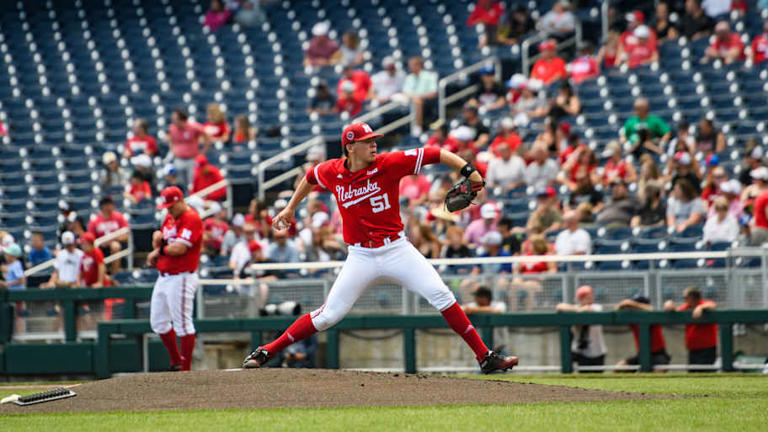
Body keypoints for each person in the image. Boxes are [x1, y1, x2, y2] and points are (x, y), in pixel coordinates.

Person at [242, 122, 518, 373]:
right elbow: (311, 176)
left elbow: (436, 153)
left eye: (374, 140)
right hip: (360, 255)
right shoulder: (333, 170)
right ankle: (267, 351)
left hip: (397, 249)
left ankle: (485, 356)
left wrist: (469, 171)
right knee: (328, 316)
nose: (374, 144)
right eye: (367, 141)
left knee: (442, 295)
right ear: (350, 147)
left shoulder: (388, 163)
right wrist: (291, 207)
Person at [146, 186, 204, 372]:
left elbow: (179, 248)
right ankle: (176, 360)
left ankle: (185, 369)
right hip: (164, 275)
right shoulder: (170, 218)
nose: (169, 210)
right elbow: (165, 243)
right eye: (167, 207)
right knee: (158, 322)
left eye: (171, 206)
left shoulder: (191, 218)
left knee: (183, 325)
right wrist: (157, 243)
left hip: (182, 276)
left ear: (181, 201)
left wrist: (159, 251)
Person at [664, 286, 718, 372]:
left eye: (685, 298)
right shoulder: (687, 307)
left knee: (706, 372)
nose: (684, 300)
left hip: (707, 349)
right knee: (692, 372)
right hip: (693, 348)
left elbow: (712, 305)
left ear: (692, 298)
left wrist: (700, 308)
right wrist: (669, 305)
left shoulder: (704, 304)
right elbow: (676, 310)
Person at [556, 286, 607, 371]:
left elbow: (588, 309)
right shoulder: (577, 308)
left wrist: (579, 310)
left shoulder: (597, 307)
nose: (589, 299)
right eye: (585, 297)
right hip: (580, 351)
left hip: (597, 351)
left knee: (597, 375)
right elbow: (560, 307)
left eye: (590, 297)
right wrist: (577, 309)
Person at [615, 294, 671, 371]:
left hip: (658, 354)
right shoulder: (633, 319)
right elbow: (616, 311)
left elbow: (650, 309)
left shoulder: (652, 315)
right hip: (642, 355)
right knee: (619, 367)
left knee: (660, 370)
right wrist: (624, 304)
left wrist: (635, 304)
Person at [168, 108, 212, 188]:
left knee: (193, 183)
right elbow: (170, 139)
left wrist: (203, 153)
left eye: (175, 119)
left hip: (192, 160)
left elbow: (207, 137)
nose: (173, 121)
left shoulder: (193, 127)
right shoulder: (172, 128)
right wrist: (172, 150)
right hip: (179, 159)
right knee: (180, 184)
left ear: (182, 119)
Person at [87, 196, 130, 273]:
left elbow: (127, 235)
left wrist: (113, 239)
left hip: (117, 243)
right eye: (107, 204)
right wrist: (101, 242)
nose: (110, 206)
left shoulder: (119, 217)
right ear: (102, 206)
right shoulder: (95, 220)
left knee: (115, 246)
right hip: (101, 246)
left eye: (111, 204)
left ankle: (115, 273)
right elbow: (90, 238)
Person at [403, 56, 438, 136]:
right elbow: (405, 93)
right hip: (410, 100)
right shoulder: (409, 77)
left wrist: (419, 96)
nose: (409, 67)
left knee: (417, 101)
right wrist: (414, 97)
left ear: (419, 65)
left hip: (426, 101)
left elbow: (434, 93)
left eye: (411, 65)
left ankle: (417, 127)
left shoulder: (429, 76)